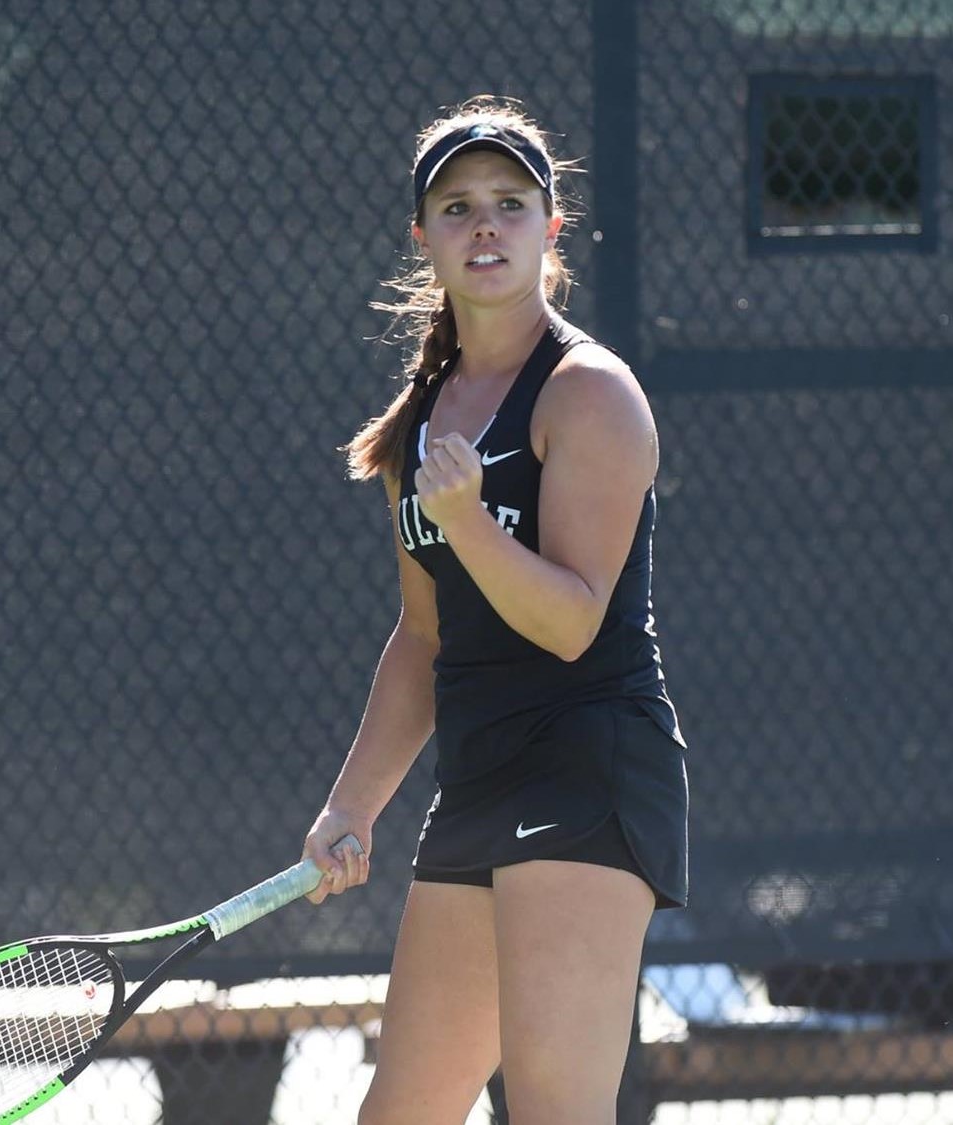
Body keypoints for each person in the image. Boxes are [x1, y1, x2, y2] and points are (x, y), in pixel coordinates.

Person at [299, 95, 691, 1124]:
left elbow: (569, 622)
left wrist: (470, 524)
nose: (485, 226)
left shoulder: (590, 395)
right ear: (422, 237)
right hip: (478, 780)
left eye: (510, 204)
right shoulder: (420, 424)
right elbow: (423, 636)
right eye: (458, 206)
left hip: (587, 766)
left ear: (549, 229)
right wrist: (350, 806)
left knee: (555, 1111)